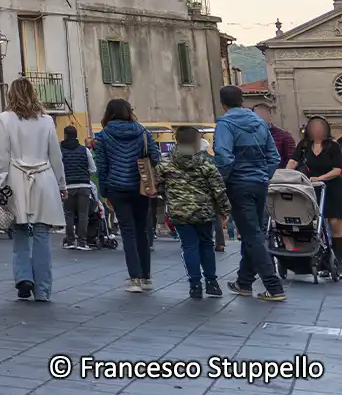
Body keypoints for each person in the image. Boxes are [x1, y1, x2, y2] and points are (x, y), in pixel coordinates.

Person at [0, 78, 66, 302]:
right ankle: (43, 288)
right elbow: (56, 155)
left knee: (20, 231)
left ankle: (24, 277)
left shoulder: (5, 119)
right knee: (42, 234)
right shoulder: (47, 121)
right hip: (43, 177)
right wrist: (62, 184)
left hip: (16, 178)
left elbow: (2, 156)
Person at [214, 85, 285, 301]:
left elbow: (224, 157)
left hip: (239, 184)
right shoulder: (260, 123)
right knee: (252, 231)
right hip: (260, 183)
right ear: (242, 100)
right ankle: (244, 282)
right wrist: (263, 175)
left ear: (223, 104)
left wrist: (223, 183)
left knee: (253, 234)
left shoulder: (225, 124)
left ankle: (274, 286)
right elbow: (274, 157)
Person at [93, 98, 159, 293]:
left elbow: (102, 166)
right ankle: (146, 276)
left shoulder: (104, 136)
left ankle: (135, 278)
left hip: (117, 188)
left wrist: (105, 192)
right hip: (141, 187)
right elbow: (155, 156)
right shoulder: (143, 132)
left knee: (128, 233)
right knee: (142, 232)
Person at [159, 126, 231, 299]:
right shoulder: (206, 163)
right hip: (203, 211)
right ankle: (212, 283)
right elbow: (218, 189)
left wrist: (172, 197)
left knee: (189, 246)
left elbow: (159, 186)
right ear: (196, 142)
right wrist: (225, 210)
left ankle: (195, 284)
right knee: (206, 244)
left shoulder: (165, 163)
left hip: (179, 212)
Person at [286, 116, 342, 246]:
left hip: (332, 188)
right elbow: (293, 161)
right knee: (312, 221)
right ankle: (317, 250)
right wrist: (287, 174)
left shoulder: (333, 146)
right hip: (310, 188)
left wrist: (320, 178)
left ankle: (339, 257)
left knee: (334, 222)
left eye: (319, 127)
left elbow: (337, 169)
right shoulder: (304, 145)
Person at [60, 125, 97, 250]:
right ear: (76, 136)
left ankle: (70, 241)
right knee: (83, 214)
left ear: (65, 135)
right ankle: (82, 242)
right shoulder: (84, 150)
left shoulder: (60, 150)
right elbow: (93, 169)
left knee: (69, 213)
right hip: (84, 185)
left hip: (67, 185)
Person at [254, 104, 297, 169]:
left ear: (270, 116)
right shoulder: (250, 136)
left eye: (263, 115)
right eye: (257, 116)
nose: (260, 119)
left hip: (278, 176)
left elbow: (292, 160)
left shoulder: (284, 136)